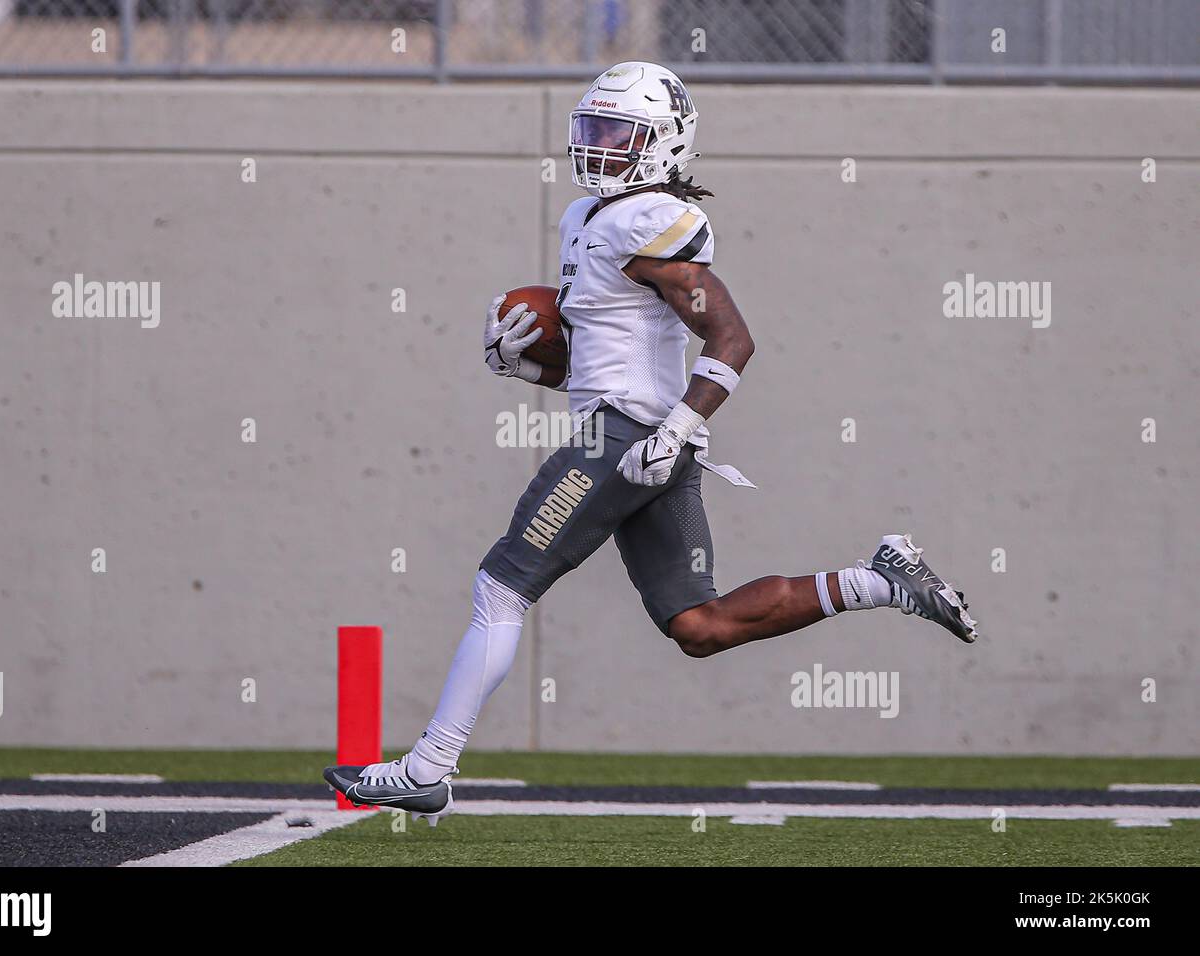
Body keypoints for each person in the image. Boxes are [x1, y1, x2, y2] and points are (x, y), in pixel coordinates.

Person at [326, 61, 977, 824]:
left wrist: (678, 427)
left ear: (665, 143)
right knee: (699, 627)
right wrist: (531, 365)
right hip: (643, 440)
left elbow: (731, 339)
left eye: (617, 134)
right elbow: (609, 359)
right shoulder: (589, 219)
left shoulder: (649, 223)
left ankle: (428, 768)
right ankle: (881, 579)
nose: (599, 148)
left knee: (500, 589)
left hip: (631, 439)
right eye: (592, 130)